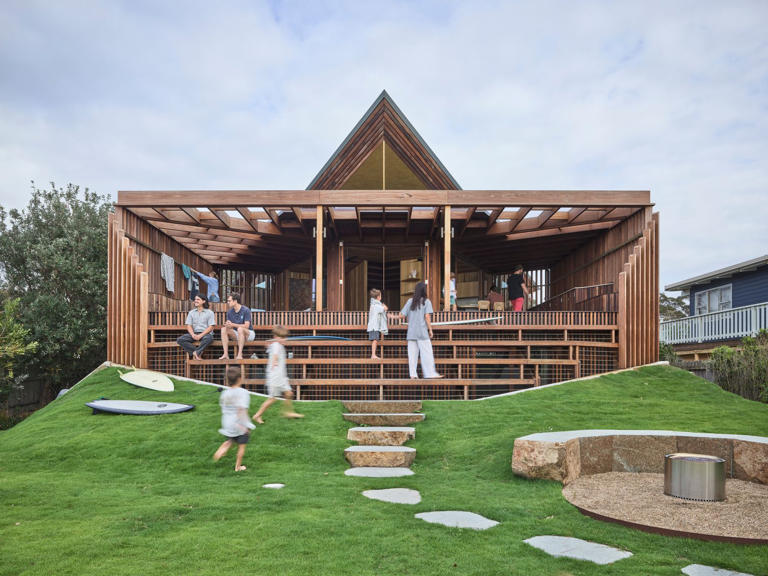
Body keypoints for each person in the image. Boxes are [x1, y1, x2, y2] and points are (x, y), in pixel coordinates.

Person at [252, 325, 304, 424]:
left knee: (289, 393)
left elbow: (270, 348)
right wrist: (275, 361)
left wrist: (269, 345)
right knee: (272, 399)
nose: (285, 339)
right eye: (282, 337)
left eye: (285, 337)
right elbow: (275, 354)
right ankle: (257, 415)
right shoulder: (276, 345)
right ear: (276, 337)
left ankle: (288, 412)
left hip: (281, 376)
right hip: (275, 377)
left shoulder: (277, 345)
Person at [213, 366, 255, 472]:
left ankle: (225, 447)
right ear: (240, 378)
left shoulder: (224, 393)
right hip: (238, 423)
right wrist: (247, 425)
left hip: (227, 422)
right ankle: (238, 467)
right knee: (241, 445)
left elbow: (223, 408)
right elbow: (242, 410)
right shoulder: (243, 393)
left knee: (231, 439)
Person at [400, 281, 443, 379]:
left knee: (412, 355)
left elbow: (402, 315)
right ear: (424, 290)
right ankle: (430, 374)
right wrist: (430, 330)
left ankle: (413, 375)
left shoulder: (410, 301)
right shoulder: (426, 302)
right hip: (422, 332)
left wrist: (392, 316)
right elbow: (427, 317)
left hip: (411, 333)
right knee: (427, 353)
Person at [176, 294, 216, 360]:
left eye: (198, 299)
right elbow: (189, 325)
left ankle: (196, 352)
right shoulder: (191, 312)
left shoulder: (210, 312)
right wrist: (192, 334)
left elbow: (211, 327)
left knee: (209, 338)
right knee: (180, 340)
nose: (195, 301)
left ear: (204, 301)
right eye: (195, 299)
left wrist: (201, 335)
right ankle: (197, 352)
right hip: (194, 334)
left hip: (205, 334)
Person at [219, 292, 254, 360]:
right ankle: (225, 354)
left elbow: (247, 326)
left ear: (235, 301)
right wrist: (228, 325)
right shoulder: (229, 312)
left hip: (249, 334)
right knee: (223, 329)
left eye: (229, 301)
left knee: (240, 329)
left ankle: (240, 354)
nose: (228, 302)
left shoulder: (246, 310)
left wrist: (233, 325)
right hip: (237, 334)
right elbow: (231, 326)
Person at [367, 288, 389, 359]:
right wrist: (384, 305)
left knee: (375, 340)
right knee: (375, 340)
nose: (381, 297)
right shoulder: (376, 306)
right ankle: (373, 355)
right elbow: (385, 309)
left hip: (373, 326)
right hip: (374, 326)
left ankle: (373, 354)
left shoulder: (373, 305)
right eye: (380, 296)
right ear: (378, 297)